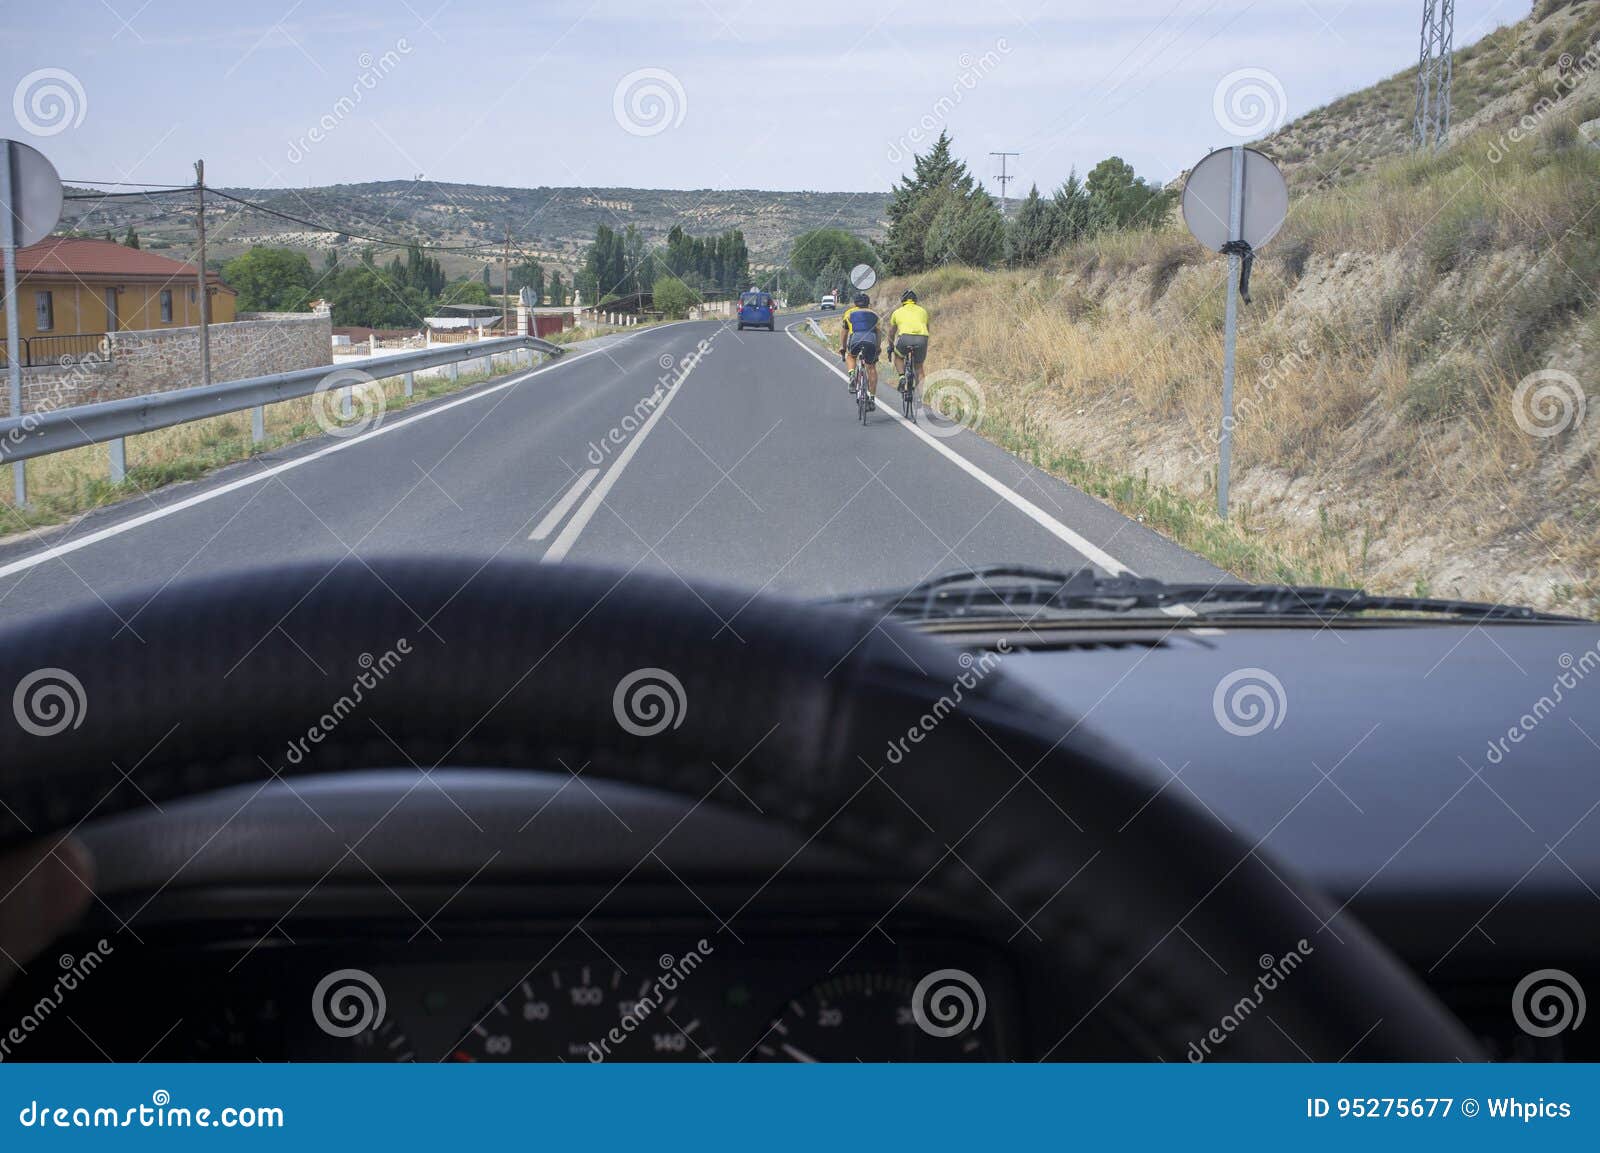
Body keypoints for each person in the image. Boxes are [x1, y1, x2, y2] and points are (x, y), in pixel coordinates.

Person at [839, 292, 881, 404]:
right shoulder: (874, 313)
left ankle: (852, 375)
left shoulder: (849, 313)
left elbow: (844, 332)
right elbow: (878, 333)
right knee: (871, 367)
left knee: (851, 356)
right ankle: (872, 398)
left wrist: (842, 347)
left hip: (855, 338)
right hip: (871, 339)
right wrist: (877, 348)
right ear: (868, 303)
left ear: (855, 303)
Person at [887, 288, 930, 392]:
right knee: (919, 367)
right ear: (915, 300)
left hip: (905, 337)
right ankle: (919, 396)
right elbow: (927, 328)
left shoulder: (897, 312)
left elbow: (891, 332)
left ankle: (902, 377)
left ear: (903, 301)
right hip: (922, 338)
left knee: (898, 357)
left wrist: (891, 346)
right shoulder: (923, 311)